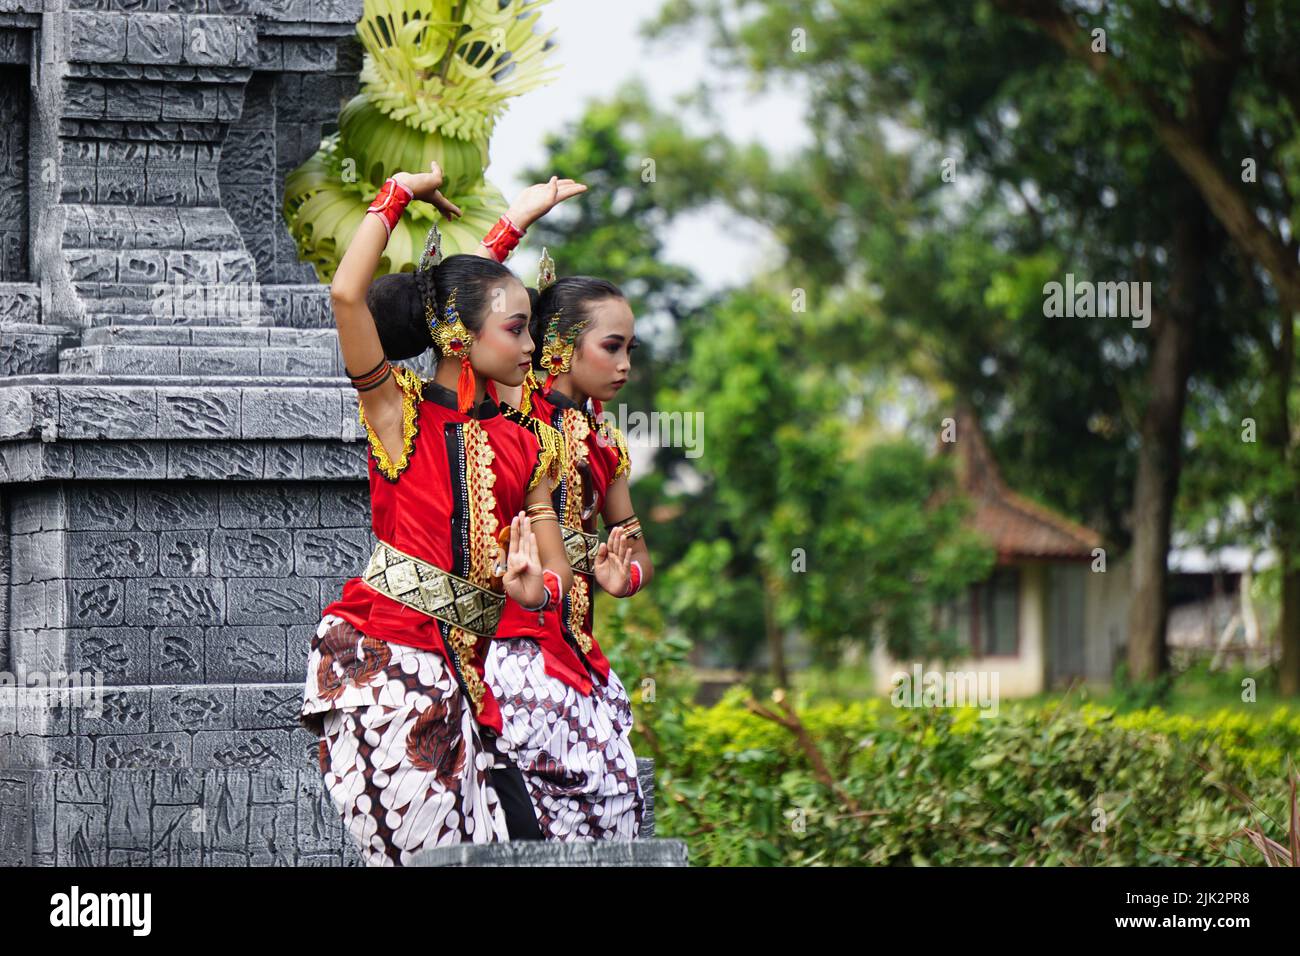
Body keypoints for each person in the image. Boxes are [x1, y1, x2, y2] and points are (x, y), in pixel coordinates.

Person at [297, 163, 582, 865]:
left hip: (466, 686)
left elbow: (560, 581)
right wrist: (395, 195)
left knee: (516, 847)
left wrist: (534, 593)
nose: (529, 346)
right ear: (460, 336)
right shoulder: (401, 414)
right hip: (387, 671)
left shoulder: (530, 443)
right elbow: (346, 294)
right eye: (517, 330)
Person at [484, 241, 656, 840]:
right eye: (611, 347)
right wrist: (512, 229)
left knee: (617, 816)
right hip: (513, 650)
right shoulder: (512, 414)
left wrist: (623, 577)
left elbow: (635, 553)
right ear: (559, 345)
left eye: (630, 349)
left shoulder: (608, 444)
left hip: (578, 653)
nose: (625, 364)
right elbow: (470, 313)